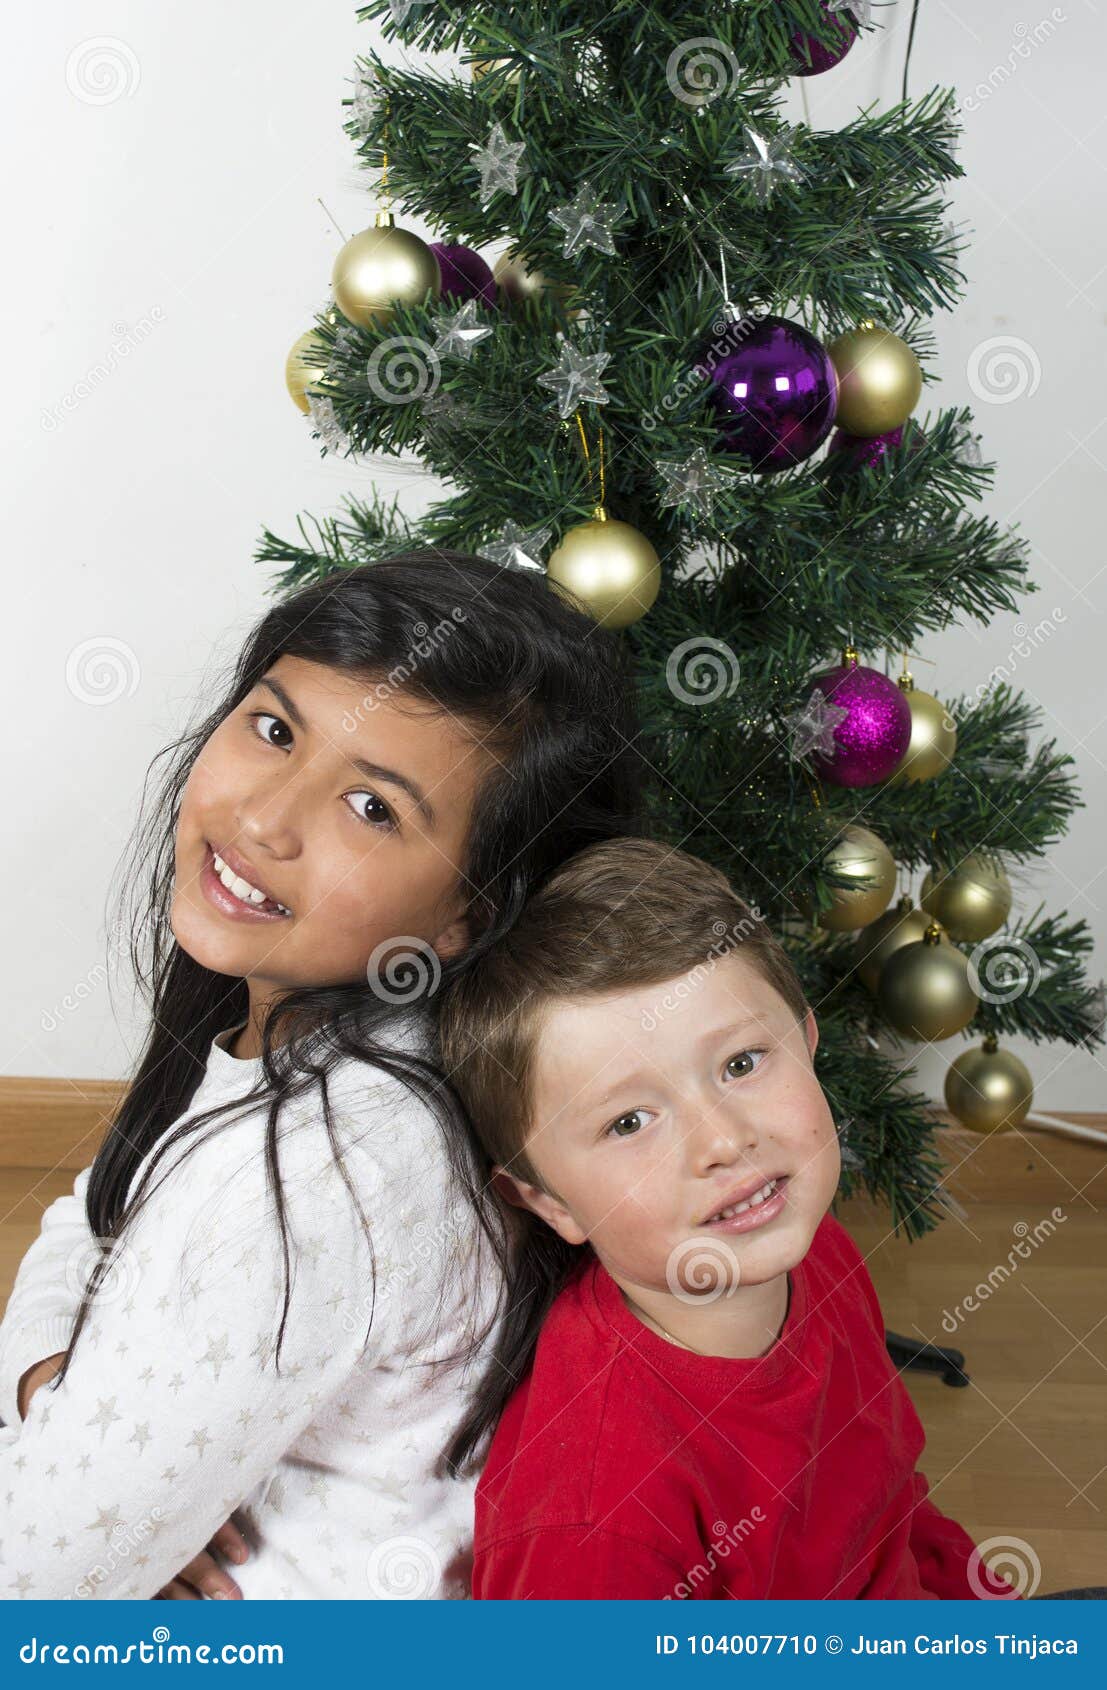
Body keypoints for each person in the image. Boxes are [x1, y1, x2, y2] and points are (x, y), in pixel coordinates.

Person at [0, 550, 645, 1600]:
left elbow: (31, 1583)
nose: (264, 821)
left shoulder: (314, 1176)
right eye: (274, 729)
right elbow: (99, 1211)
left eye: (372, 807)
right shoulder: (333, 1036)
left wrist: (82, 1472)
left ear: (469, 915)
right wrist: (47, 1379)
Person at [437, 835, 1023, 1601]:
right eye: (628, 1122)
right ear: (548, 1201)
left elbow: (892, 1507)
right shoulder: (593, 1521)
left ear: (808, 1042)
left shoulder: (813, 1251)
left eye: (741, 1064)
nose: (722, 1141)